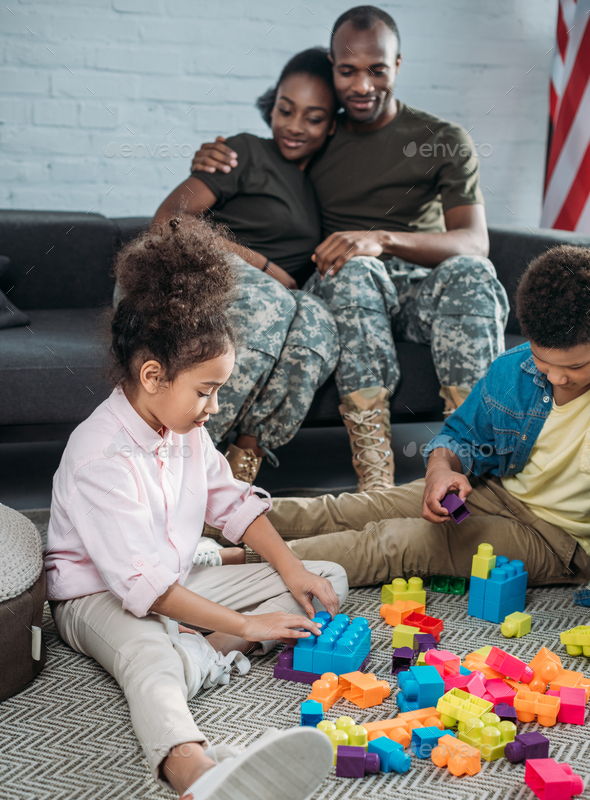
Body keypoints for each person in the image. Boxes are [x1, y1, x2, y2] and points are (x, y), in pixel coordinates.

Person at [45, 217, 348, 800]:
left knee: (324, 583)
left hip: (176, 579)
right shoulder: (100, 455)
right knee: (148, 664)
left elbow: (228, 500)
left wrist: (291, 570)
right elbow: (146, 589)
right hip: (97, 598)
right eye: (206, 392)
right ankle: (198, 775)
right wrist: (244, 620)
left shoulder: (184, 427)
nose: (214, 408)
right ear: (153, 376)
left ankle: (200, 654)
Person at [191, 5, 510, 492]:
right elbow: (269, 153)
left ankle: (472, 470)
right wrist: (211, 158)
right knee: (353, 269)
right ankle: (377, 479)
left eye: (377, 70)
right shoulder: (320, 132)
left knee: (473, 273)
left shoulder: (442, 140)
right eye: (348, 71)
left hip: (423, 291)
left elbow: (474, 242)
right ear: (333, 68)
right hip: (349, 286)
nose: (362, 86)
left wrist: (380, 238)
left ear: (397, 65)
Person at [223, 246, 590, 592]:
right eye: (545, 363)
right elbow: (459, 436)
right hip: (495, 490)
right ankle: (200, 515)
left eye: (575, 366)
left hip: (557, 540)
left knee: (397, 541)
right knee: (354, 507)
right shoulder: (515, 368)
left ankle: (229, 565)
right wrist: (440, 471)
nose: (557, 378)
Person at [152, 48, 340, 484]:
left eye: (312, 118)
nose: (293, 126)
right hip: (184, 271)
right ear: (270, 106)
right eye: (284, 110)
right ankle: (174, 462)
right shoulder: (243, 152)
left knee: (318, 321)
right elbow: (169, 220)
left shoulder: (325, 183)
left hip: (268, 295)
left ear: (332, 125)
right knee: (272, 302)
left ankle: (240, 466)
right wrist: (264, 265)